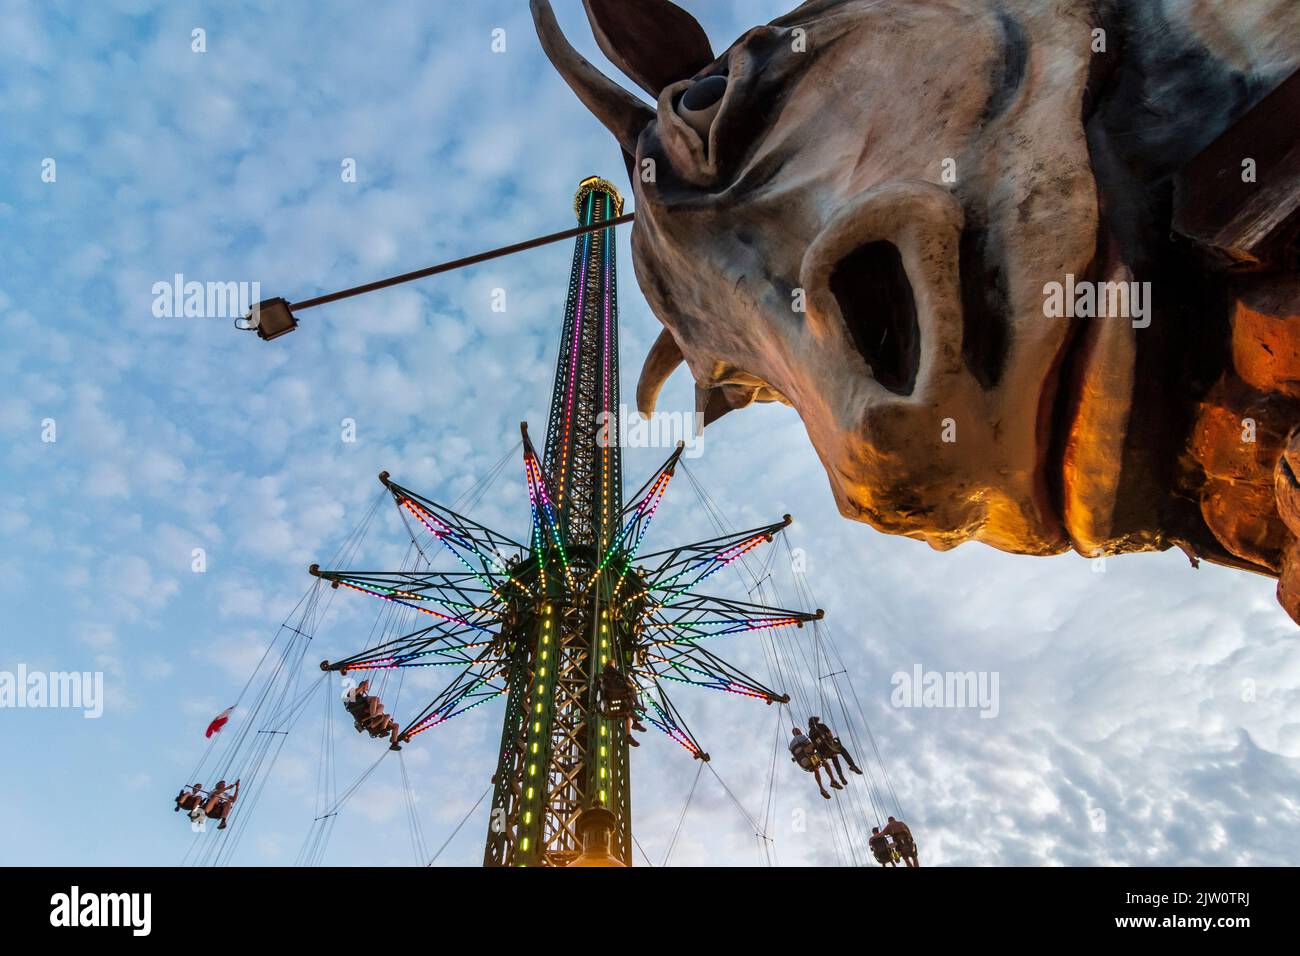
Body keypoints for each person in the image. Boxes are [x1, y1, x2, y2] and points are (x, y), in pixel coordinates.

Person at [807, 716, 864, 785]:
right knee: (842, 749)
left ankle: (840, 775)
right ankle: (852, 765)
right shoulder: (821, 725)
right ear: (816, 721)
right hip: (828, 745)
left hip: (822, 751)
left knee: (834, 756)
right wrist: (831, 742)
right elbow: (830, 735)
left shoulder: (810, 732)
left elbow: (814, 744)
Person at [601, 662, 646, 746]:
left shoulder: (609, 677)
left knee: (627, 711)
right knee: (631, 690)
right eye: (614, 664)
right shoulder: (609, 670)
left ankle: (629, 734)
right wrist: (626, 678)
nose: (615, 665)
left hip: (613, 705)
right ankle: (636, 706)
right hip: (613, 696)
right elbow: (621, 675)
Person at [789, 727, 843, 799]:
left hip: (805, 763)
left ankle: (821, 788)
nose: (800, 732)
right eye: (799, 731)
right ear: (798, 732)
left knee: (816, 769)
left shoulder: (791, 744)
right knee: (825, 762)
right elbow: (811, 745)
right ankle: (832, 780)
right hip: (810, 757)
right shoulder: (802, 737)